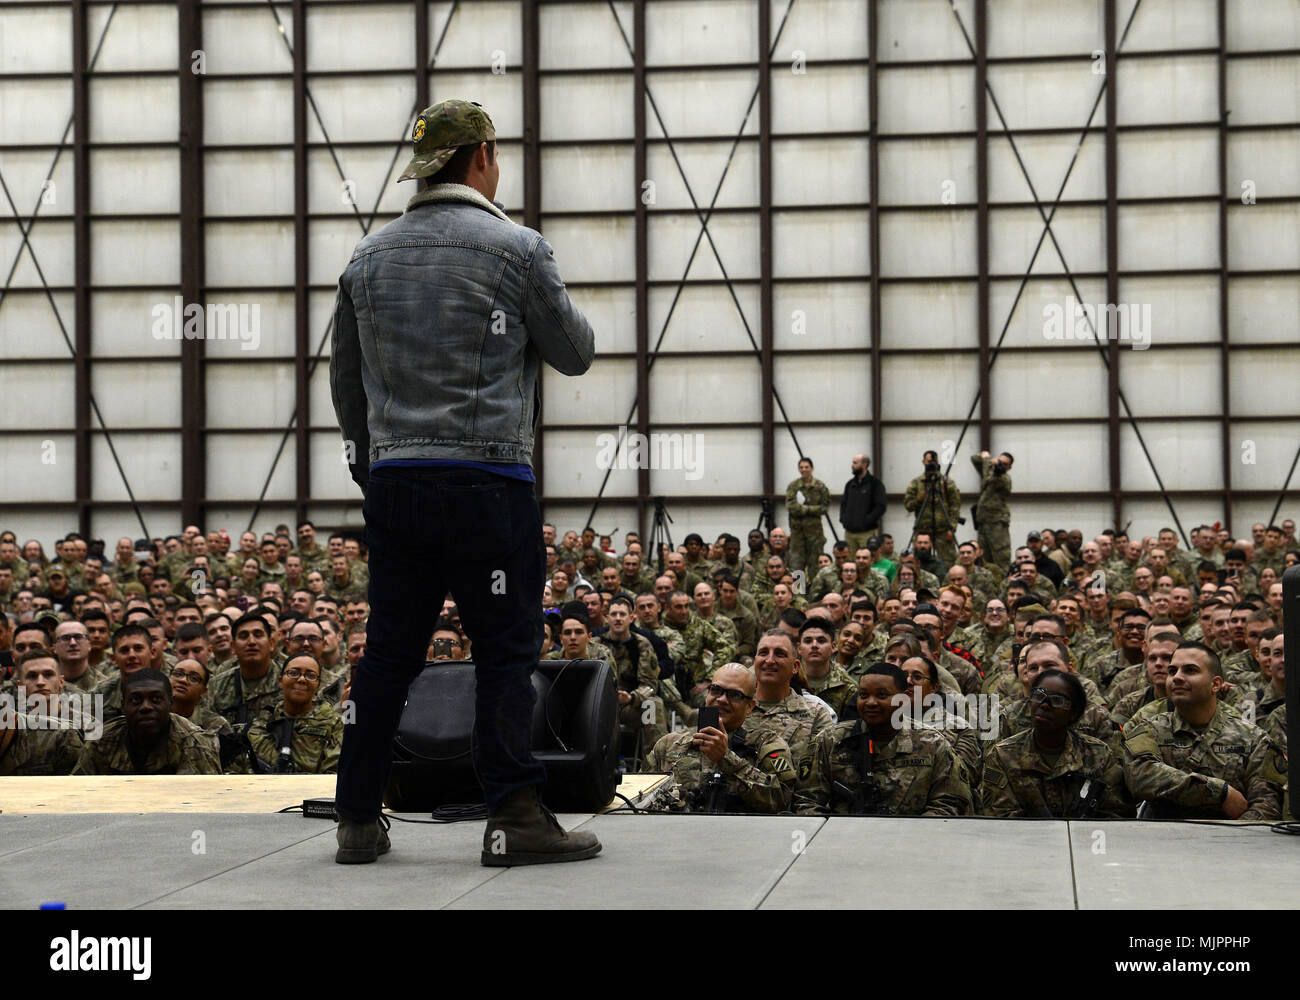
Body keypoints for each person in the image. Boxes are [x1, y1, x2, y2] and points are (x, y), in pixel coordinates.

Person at [330, 99, 598, 867]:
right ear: (482, 156)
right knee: (504, 653)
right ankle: (513, 815)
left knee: (388, 654)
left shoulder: (366, 258)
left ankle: (355, 819)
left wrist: (371, 463)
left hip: (399, 483)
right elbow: (574, 353)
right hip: (488, 482)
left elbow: (347, 384)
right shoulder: (517, 249)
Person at [1122, 642, 1285, 820]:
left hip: (1231, 841)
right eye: (1172, 671)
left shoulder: (1253, 738)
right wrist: (1218, 792)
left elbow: (1267, 804)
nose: (1177, 677)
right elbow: (1140, 776)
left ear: (1215, 684)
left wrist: (1231, 838)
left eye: (1190, 670)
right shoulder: (1148, 729)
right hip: (1162, 839)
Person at [795, 663, 972, 816]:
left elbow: (950, 803)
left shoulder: (932, 744)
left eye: (882, 696)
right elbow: (806, 801)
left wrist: (912, 833)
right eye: (864, 695)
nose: (870, 702)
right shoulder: (830, 741)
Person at [981, 669, 1131, 818]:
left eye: (1057, 700)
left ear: (1073, 713)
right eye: (1039, 696)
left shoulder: (1099, 755)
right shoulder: (1002, 755)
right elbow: (1000, 818)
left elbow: (1116, 814)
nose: (1045, 705)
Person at [646, 664, 794, 813]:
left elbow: (781, 801)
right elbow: (637, 797)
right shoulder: (669, 744)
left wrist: (727, 759)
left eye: (734, 694)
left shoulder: (767, 744)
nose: (722, 699)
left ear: (749, 706)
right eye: (716, 690)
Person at [73, 669, 221, 775]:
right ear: (123, 706)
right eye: (136, 700)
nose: (146, 707)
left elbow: (204, 806)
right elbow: (81, 793)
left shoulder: (196, 743)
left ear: (170, 703)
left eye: (156, 699)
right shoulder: (101, 741)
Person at [903, 450, 962, 566]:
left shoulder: (946, 482)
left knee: (948, 563)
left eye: (934, 462)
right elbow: (908, 506)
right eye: (929, 462)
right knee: (918, 563)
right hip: (922, 531)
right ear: (923, 462)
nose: (931, 464)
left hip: (943, 531)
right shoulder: (917, 483)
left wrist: (952, 528)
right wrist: (920, 498)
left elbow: (955, 506)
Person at [970, 450, 1013, 572]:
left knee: (1000, 557)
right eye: (1000, 462)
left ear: (1009, 467)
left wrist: (988, 460)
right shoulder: (989, 472)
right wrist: (986, 457)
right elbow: (974, 459)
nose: (1001, 465)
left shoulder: (1004, 479)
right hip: (983, 522)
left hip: (997, 523)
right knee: (983, 557)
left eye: (1005, 464)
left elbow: (997, 477)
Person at [785, 457, 829, 573]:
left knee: (815, 565)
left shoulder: (820, 486)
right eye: (801, 467)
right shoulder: (793, 486)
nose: (804, 470)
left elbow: (824, 508)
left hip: (815, 534)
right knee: (796, 565)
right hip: (797, 533)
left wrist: (804, 509)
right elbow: (790, 506)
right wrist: (813, 510)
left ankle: (815, 590)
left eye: (806, 467)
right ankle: (799, 591)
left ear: (812, 468)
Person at [839, 454, 887, 554]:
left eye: (855, 463)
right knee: (850, 563)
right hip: (849, 533)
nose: (852, 465)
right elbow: (843, 503)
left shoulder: (875, 484)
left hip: (867, 532)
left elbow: (881, 506)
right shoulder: (850, 484)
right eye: (853, 462)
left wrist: (867, 520)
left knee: (867, 560)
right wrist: (843, 519)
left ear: (864, 465)